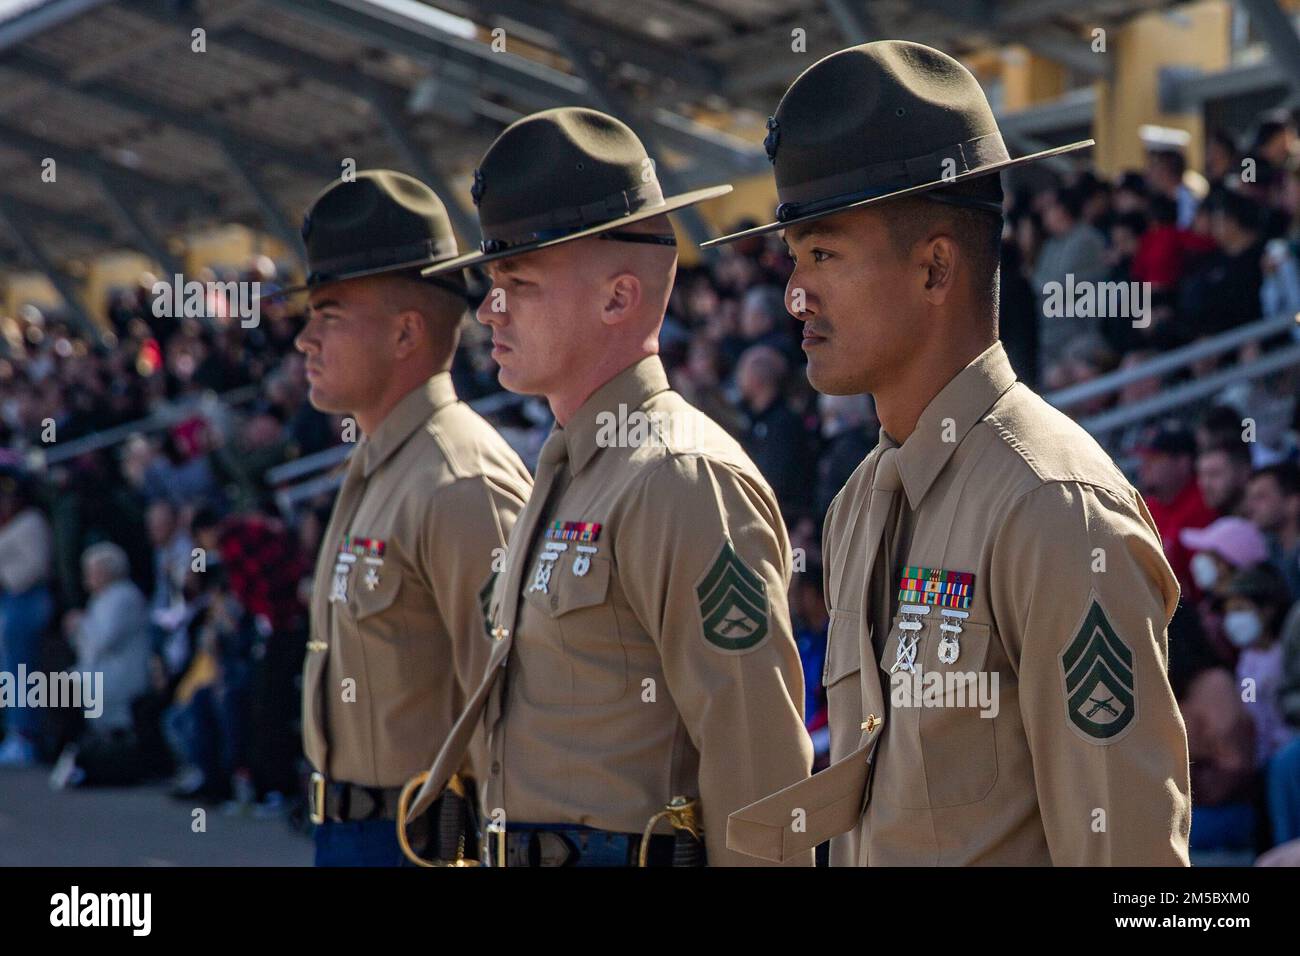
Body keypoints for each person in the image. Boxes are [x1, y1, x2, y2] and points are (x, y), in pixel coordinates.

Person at [708, 40, 1191, 865]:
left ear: (936, 269)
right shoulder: (862, 502)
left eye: (823, 255)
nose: (794, 294)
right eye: (794, 260)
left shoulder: (1053, 506)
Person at [403, 106, 813, 867]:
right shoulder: (570, 471)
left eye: (517, 282)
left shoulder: (683, 478)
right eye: (492, 282)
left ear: (618, 298)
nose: (489, 309)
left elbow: (756, 763)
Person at [284, 170, 532, 866]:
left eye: (329, 316)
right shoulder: (379, 466)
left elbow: (505, 711)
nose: (305, 340)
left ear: (405, 334)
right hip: (353, 829)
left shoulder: (460, 481)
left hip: (422, 841)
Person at [0, 469, 54, 767]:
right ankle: (14, 733)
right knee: (9, 674)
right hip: (10, 604)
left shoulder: (31, 522)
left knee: (22, 673)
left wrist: (5, 578)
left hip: (26, 601)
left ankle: (26, 737)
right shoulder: (10, 526)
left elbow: (36, 566)